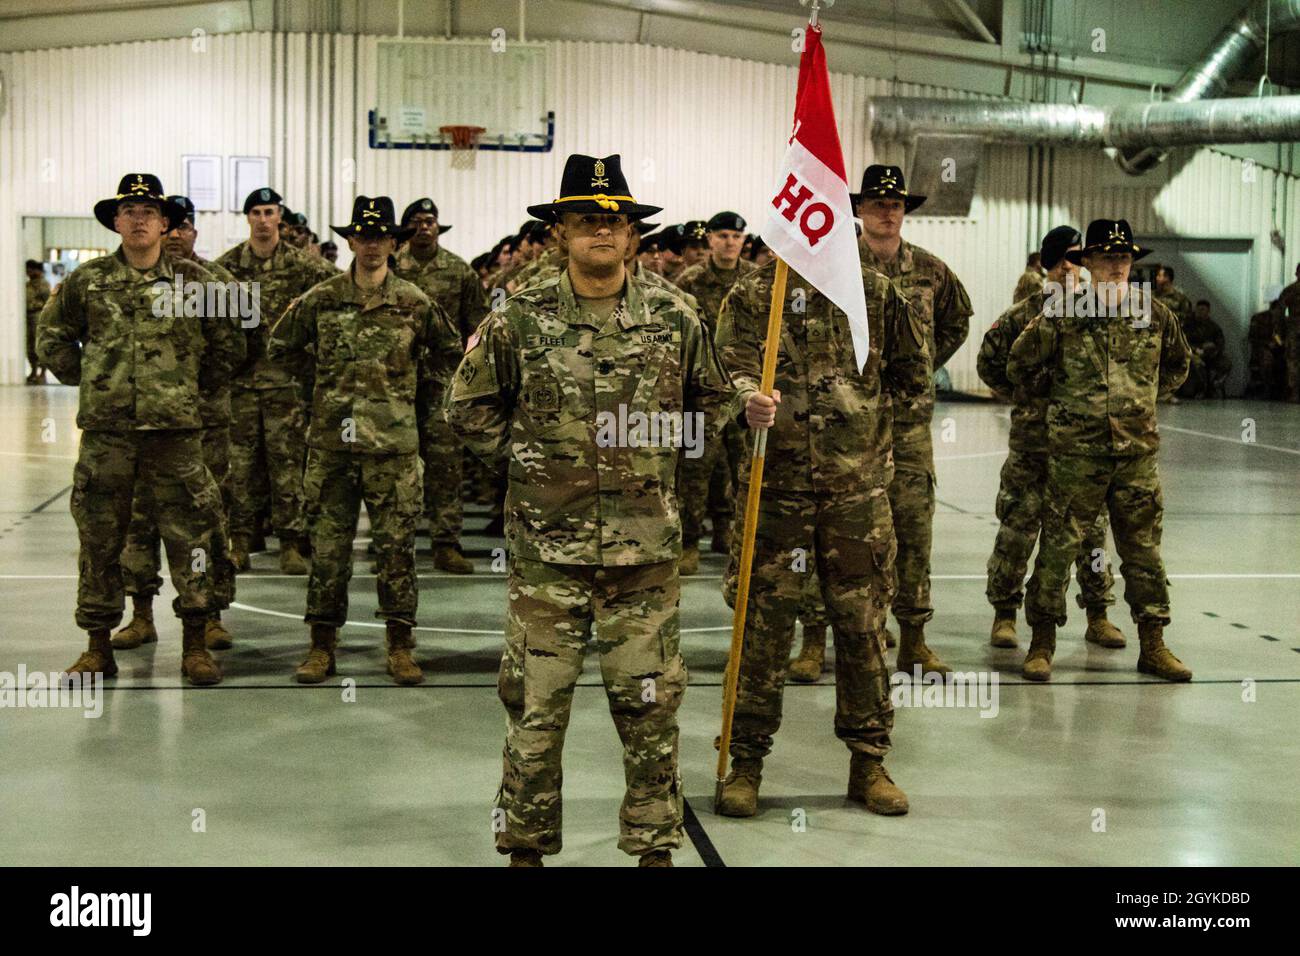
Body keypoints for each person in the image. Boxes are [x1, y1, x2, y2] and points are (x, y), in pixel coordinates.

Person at [445, 154, 737, 867]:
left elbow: (714, 402)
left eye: (614, 222)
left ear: (634, 236)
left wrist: (662, 454)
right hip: (549, 556)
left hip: (644, 557)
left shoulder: (674, 313)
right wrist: (533, 460)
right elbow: (468, 406)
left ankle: (653, 846)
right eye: (585, 221)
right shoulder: (519, 313)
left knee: (649, 710)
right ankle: (525, 845)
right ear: (560, 234)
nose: (600, 233)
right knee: (536, 709)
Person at [713, 225, 930, 819]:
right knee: (761, 633)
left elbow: (914, 378)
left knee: (862, 630)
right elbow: (722, 371)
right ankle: (745, 761)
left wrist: (868, 440)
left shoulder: (877, 295)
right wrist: (743, 400)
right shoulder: (756, 295)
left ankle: (869, 762)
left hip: (855, 497)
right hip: (774, 491)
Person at [38, 174, 238, 685]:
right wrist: (90, 380)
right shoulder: (88, 281)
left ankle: (195, 643)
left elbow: (233, 345)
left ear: (166, 222)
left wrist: (190, 389)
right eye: (130, 209)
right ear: (117, 221)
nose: (140, 216)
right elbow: (52, 335)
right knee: (101, 538)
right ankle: (97, 646)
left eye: (150, 209)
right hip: (109, 437)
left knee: (191, 537)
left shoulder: (199, 283)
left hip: (175, 436)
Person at [268, 196, 459, 685]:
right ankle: (321, 645)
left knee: (396, 549)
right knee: (328, 550)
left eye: (381, 237)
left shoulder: (414, 301)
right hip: (332, 445)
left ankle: (399, 644)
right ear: (350, 241)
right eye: (363, 236)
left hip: (393, 448)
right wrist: (319, 389)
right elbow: (281, 346)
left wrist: (413, 397)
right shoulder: (323, 297)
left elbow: (450, 353)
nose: (372, 245)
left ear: (393, 243)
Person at [1009, 219, 1192, 682]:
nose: (1116, 267)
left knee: (1144, 551)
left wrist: (1139, 403)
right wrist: (1065, 409)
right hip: (1077, 455)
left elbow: (1178, 367)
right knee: (1057, 548)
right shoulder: (1062, 312)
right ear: (1086, 263)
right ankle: (1042, 643)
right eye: (1106, 258)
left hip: (1136, 457)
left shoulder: (1154, 313)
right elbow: (1021, 363)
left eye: (1123, 258)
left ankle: (1153, 643)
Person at [976, 225, 1124, 651]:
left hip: (1083, 450)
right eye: (1062, 260)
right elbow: (991, 364)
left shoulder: (1096, 312)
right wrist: (1027, 397)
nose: (1069, 269)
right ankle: (1004, 614)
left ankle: (1098, 614)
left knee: (1092, 535)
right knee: (1017, 530)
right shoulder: (1023, 315)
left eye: (1077, 260)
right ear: (1046, 265)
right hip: (1033, 446)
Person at [113, 195, 247, 653]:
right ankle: (141, 614)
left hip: (203, 430)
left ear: (192, 232)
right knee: (139, 520)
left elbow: (242, 346)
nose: (175, 236)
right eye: (170, 228)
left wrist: (200, 392)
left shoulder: (215, 284)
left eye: (182, 228)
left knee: (205, 521)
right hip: (138, 430)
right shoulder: (126, 282)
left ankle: (209, 615)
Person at [855, 164, 972, 676]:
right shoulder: (834, 268)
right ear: (859, 210)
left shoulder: (930, 270)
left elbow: (958, 320)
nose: (887, 212)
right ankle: (824, 637)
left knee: (913, 528)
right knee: (844, 535)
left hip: (906, 426)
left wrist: (921, 365)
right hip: (846, 427)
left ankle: (914, 639)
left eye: (895, 204)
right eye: (878, 204)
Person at [216, 188, 336, 574]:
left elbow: (340, 295)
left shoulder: (305, 267)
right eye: (256, 212)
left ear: (279, 217)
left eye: (270, 212)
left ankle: (291, 544)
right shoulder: (226, 268)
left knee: (287, 466)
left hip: (289, 387)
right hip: (241, 386)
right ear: (247, 218)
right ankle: (239, 542)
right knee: (240, 468)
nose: (263, 219)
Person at [393, 197, 490, 575]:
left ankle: (445, 543)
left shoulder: (458, 270)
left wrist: (470, 377)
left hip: (441, 383)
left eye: (430, 220)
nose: (424, 227)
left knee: (445, 464)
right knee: (397, 464)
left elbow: (478, 328)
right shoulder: (390, 267)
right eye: (416, 221)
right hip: (395, 382)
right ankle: (398, 541)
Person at [674, 211, 756, 573]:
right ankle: (688, 541)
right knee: (695, 470)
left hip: (744, 389)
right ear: (710, 239)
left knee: (744, 468)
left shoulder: (754, 279)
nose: (729, 243)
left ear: (743, 241)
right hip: (701, 392)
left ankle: (731, 535)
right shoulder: (689, 281)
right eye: (722, 236)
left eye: (735, 237)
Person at [1178, 300, 1231, 399]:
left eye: (1203, 310)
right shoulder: (1188, 325)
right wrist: (1195, 349)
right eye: (1199, 309)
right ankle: (1201, 390)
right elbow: (1182, 341)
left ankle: (1214, 386)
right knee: (1197, 365)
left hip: (1210, 355)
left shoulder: (1214, 327)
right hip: (1192, 354)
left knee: (1226, 363)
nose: (1201, 312)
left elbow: (1220, 344)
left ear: (1208, 311)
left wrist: (1211, 349)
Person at [25, 259, 51, 384]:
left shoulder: (43, 284)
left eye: (31, 270)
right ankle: (33, 371)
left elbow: (48, 301)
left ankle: (42, 373)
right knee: (30, 345)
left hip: (38, 315)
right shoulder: (27, 284)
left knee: (38, 344)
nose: (28, 272)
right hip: (28, 316)